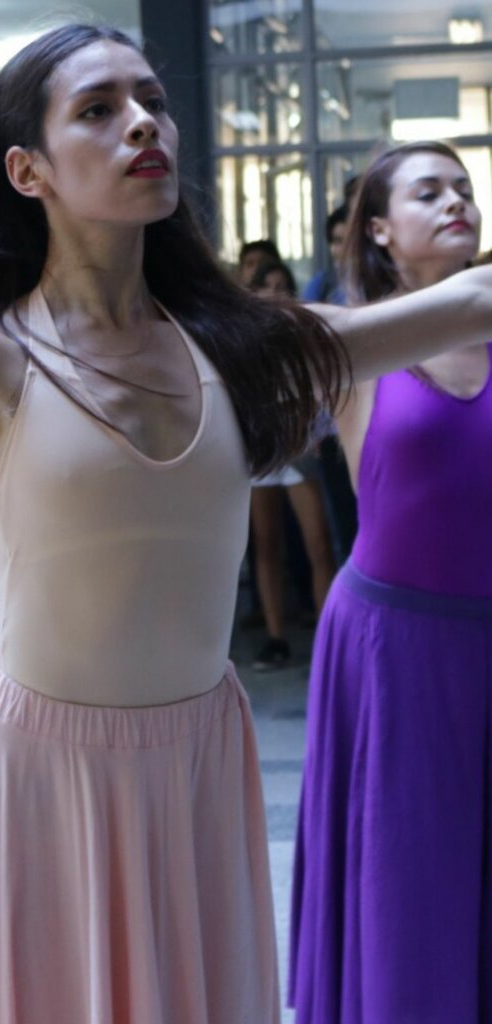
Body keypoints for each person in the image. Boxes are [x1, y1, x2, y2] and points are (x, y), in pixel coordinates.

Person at [0, 27, 492, 1023]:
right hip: (31, 784)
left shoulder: (246, 348)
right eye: (97, 109)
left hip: (198, 773)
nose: (141, 124)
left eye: (150, 100)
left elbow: (472, 299)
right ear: (25, 170)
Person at [289, 141, 492, 1023]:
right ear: (378, 229)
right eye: (428, 192)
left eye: (465, 190)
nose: (455, 203)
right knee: (408, 871)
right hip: (394, 651)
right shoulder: (345, 341)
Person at [247, 261, 336, 669]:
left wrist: (316, 431)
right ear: (252, 292)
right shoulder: (239, 335)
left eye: (283, 285)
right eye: (267, 285)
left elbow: (322, 388)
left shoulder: (302, 333)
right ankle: (276, 637)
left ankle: (327, 638)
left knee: (318, 545)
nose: (276, 293)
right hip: (261, 447)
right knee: (265, 545)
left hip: (299, 446)